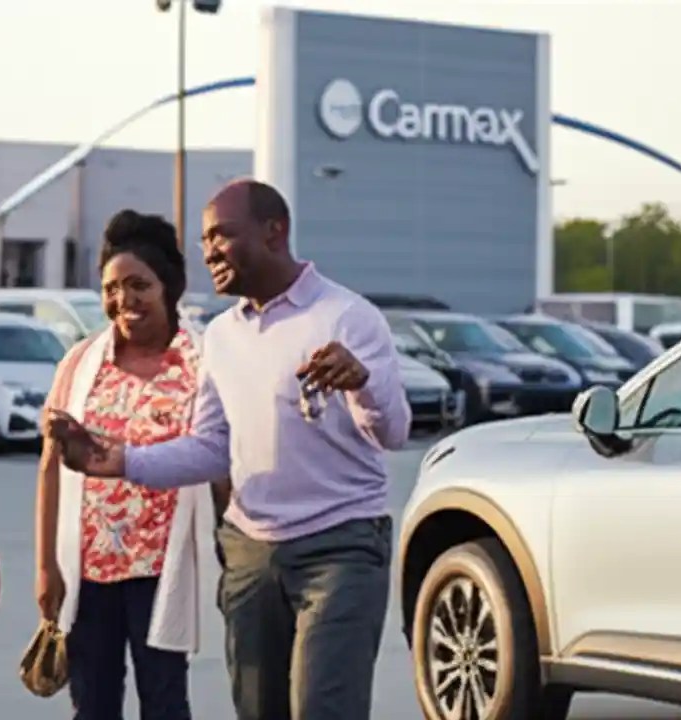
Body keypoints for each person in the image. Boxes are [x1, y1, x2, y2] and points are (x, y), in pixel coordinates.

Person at [46, 179, 410, 720]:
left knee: (323, 707)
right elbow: (214, 449)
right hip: (252, 555)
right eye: (204, 239)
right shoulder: (222, 336)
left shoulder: (347, 316)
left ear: (274, 232)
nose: (209, 250)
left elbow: (394, 432)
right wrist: (121, 461)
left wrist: (361, 381)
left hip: (339, 549)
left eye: (222, 235)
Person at [35, 209, 228, 720]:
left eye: (138, 284)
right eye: (112, 287)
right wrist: (45, 566)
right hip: (89, 569)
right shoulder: (80, 363)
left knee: (165, 703)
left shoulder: (203, 362)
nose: (124, 300)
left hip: (162, 570)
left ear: (169, 287)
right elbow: (51, 466)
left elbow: (222, 465)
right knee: (92, 705)